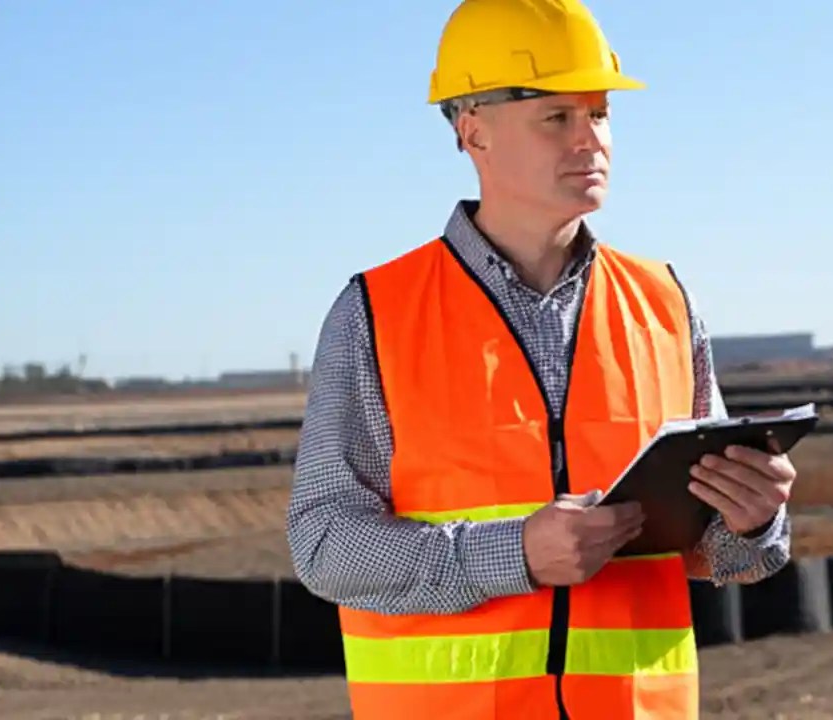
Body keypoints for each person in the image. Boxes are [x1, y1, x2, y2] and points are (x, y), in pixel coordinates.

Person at [285, 1, 798, 718]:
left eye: (600, 114)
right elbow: (324, 546)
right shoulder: (376, 313)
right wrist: (514, 554)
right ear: (472, 130)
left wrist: (753, 522)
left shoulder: (665, 302)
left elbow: (730, 556)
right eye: (556, 117)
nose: (591, 140)